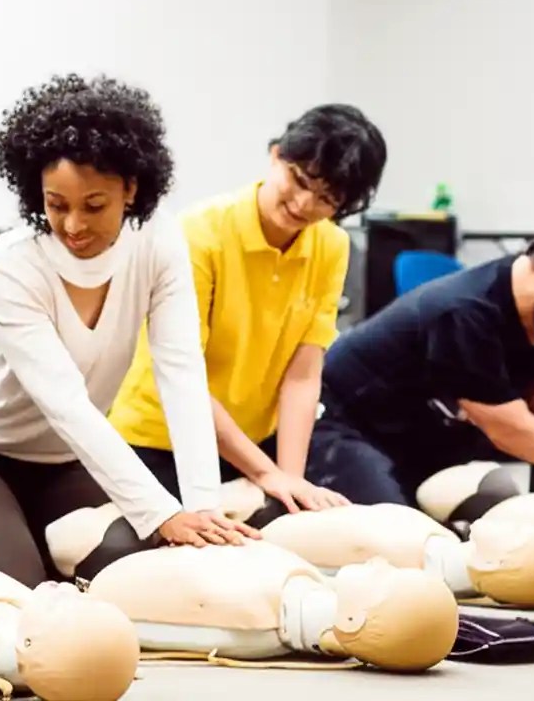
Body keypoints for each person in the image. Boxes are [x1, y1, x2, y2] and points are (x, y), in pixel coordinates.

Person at [0, 74, 257, 590]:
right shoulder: (7, 268)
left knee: (137, 565)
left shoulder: (159, 240)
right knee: (18, 591)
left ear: (131, 188)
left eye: (94, 205)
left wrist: (201, 510)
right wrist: (161, 514)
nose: (74, 225)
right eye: (56, 204)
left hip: (60, 463)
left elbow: (182, 375)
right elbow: (68, 405)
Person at [109, 104, 387, 514]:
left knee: (286, 522)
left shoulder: (331, 245)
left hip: (253, 441)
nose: (304, 203)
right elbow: (182, 376)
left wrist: (288, 479)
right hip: (161, 438)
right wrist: (265, 474)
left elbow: (303, 373)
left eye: (327, 199)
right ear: (277, 154)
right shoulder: (199, 233)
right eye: (300, 179)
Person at [304, 238, 534, 507]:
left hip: (422, 432)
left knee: (494, 511)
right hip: (342, 425)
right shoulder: (464, 312)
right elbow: (509, 430)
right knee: (396, 533)